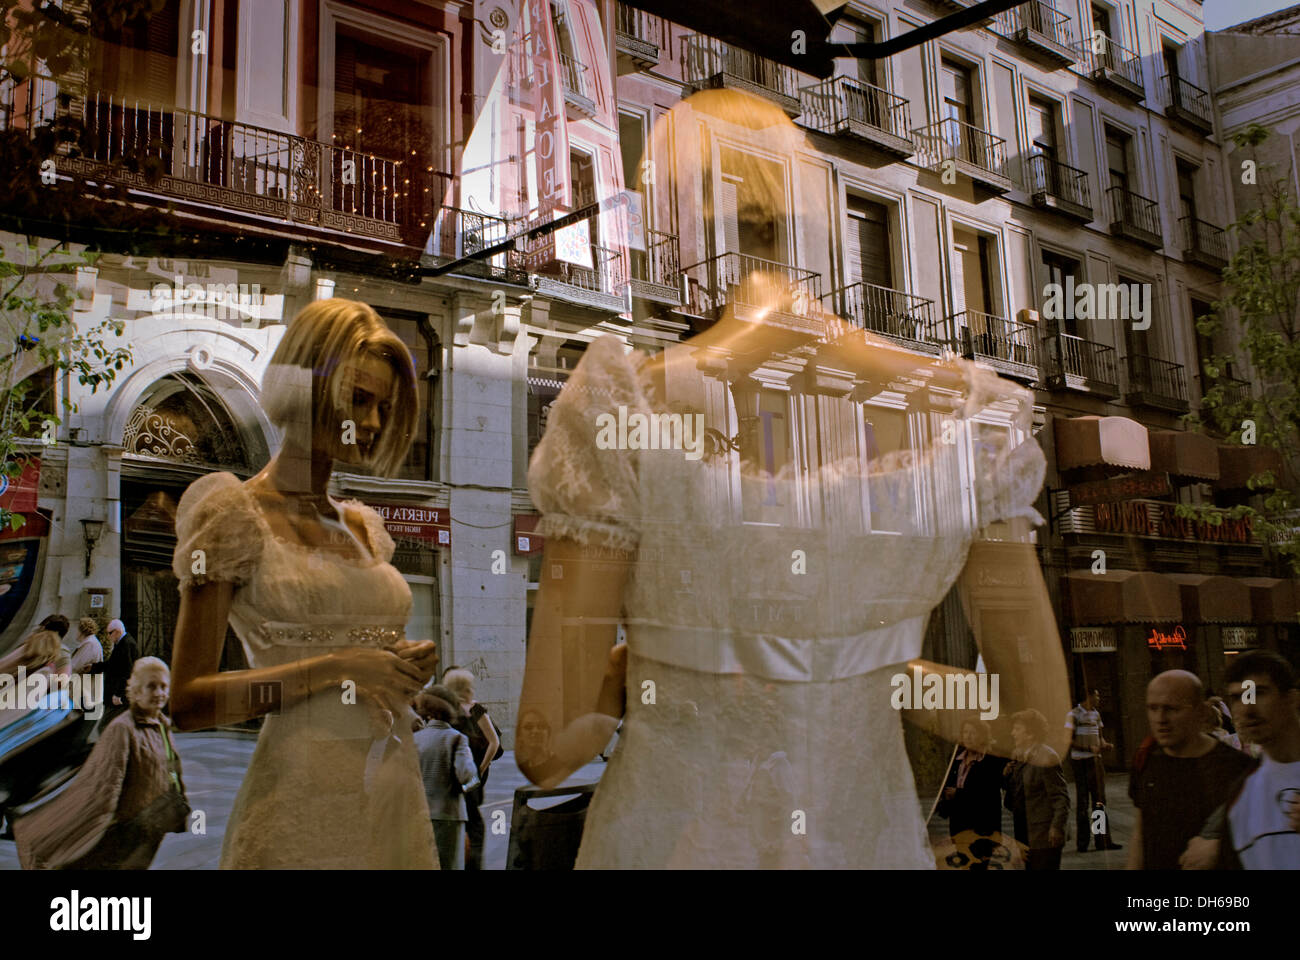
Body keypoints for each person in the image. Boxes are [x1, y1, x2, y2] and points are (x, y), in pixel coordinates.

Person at [517, 86, 1071, 869]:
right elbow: (1038, 723)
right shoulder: (970, 419)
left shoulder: (623, 403)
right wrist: (876, 671)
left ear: (673, 213)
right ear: (814, 209)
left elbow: (547, 746)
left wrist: (629, 670)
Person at [168, 298, 441, 869]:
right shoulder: (232, 516)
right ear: (308, 388)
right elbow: (188, 703)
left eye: (382, 408)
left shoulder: (364, 527)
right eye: (358, 399)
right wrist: (340, 666)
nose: (370, 424)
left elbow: (361, 658)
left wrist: (399, 666)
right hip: (297, 809)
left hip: (392, 792)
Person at [13, 658, 185, 869]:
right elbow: (108, 780)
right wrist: (101, 823)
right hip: (125, 824)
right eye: (151, 686)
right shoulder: (123, 728)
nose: (159, 692)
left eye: (163, 686)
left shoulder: (162, 725)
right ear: (137, 690)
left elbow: (172, 767)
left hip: (152, 823)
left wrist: (179, 805)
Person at [1181, 651, 1300, 869]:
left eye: (1259, 693)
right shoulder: (1242, 794)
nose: (1248, 708)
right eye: (1238, 698)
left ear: (1291, 699)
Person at [1126, 670, 1255, 870]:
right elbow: (1140, 834)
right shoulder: (1148, 761)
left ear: (1200, 711)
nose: (1160, 718)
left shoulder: (1236, 768)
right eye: (1153, 708)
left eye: (1172, 709)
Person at [413, 690, 480, 869]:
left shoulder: (414, 740)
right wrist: (468, 788)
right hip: (449, 815)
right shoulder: (456, 738)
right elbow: (468, 777)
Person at [442, 667, 498, 870]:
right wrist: (481, 769)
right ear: (465, 688)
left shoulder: (444, 711)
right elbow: (495, 742)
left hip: (450, 777)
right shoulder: (476, 710)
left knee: (460, 820)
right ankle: (472, 863)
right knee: (474, 822)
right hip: (471, 776)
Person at [1002, 708, 1069, 870]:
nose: (1013, 733)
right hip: (1024, 830)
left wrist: (1057, 827)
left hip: (1043, 833)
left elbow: (1061, 797)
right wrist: (1007, 775)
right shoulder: (1019, 755)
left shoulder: (1047, 757)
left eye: (1017, 729)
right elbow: (1015, 795)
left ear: (1030, 734)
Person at [937, 719, 1003, 868]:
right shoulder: (956, 758)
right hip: (959, 826)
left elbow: (987, 794)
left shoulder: (991, 761)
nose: (968, 736)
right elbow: (947, 784)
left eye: (973, 733)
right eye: (965, 732)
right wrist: (945, 799)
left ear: (983, 736)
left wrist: (958, 794)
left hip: (982, 827)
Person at [1065, 689, 1121, 852]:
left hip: (1095, 762)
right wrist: (1088, 747)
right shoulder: (1074, 714)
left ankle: (1102, 840)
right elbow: (1068, 739)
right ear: (1089, 696)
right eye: (1096, 695)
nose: (1099, 698)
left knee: (1099, 801)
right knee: (1082, 802)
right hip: (1080, 762)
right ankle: (1082, 843)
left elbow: (1099, 736)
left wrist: (1105, 744)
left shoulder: (1096, 714)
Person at [99, 619, 139, 728]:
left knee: (105, 726)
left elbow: (127, 671)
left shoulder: (125, 644)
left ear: (117, 631)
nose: (108, 636)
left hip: (119, 695)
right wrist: (94, 667)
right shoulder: (122, 643)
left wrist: (118, 694)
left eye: (110, 633)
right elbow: (113, 664)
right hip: (118, 694)